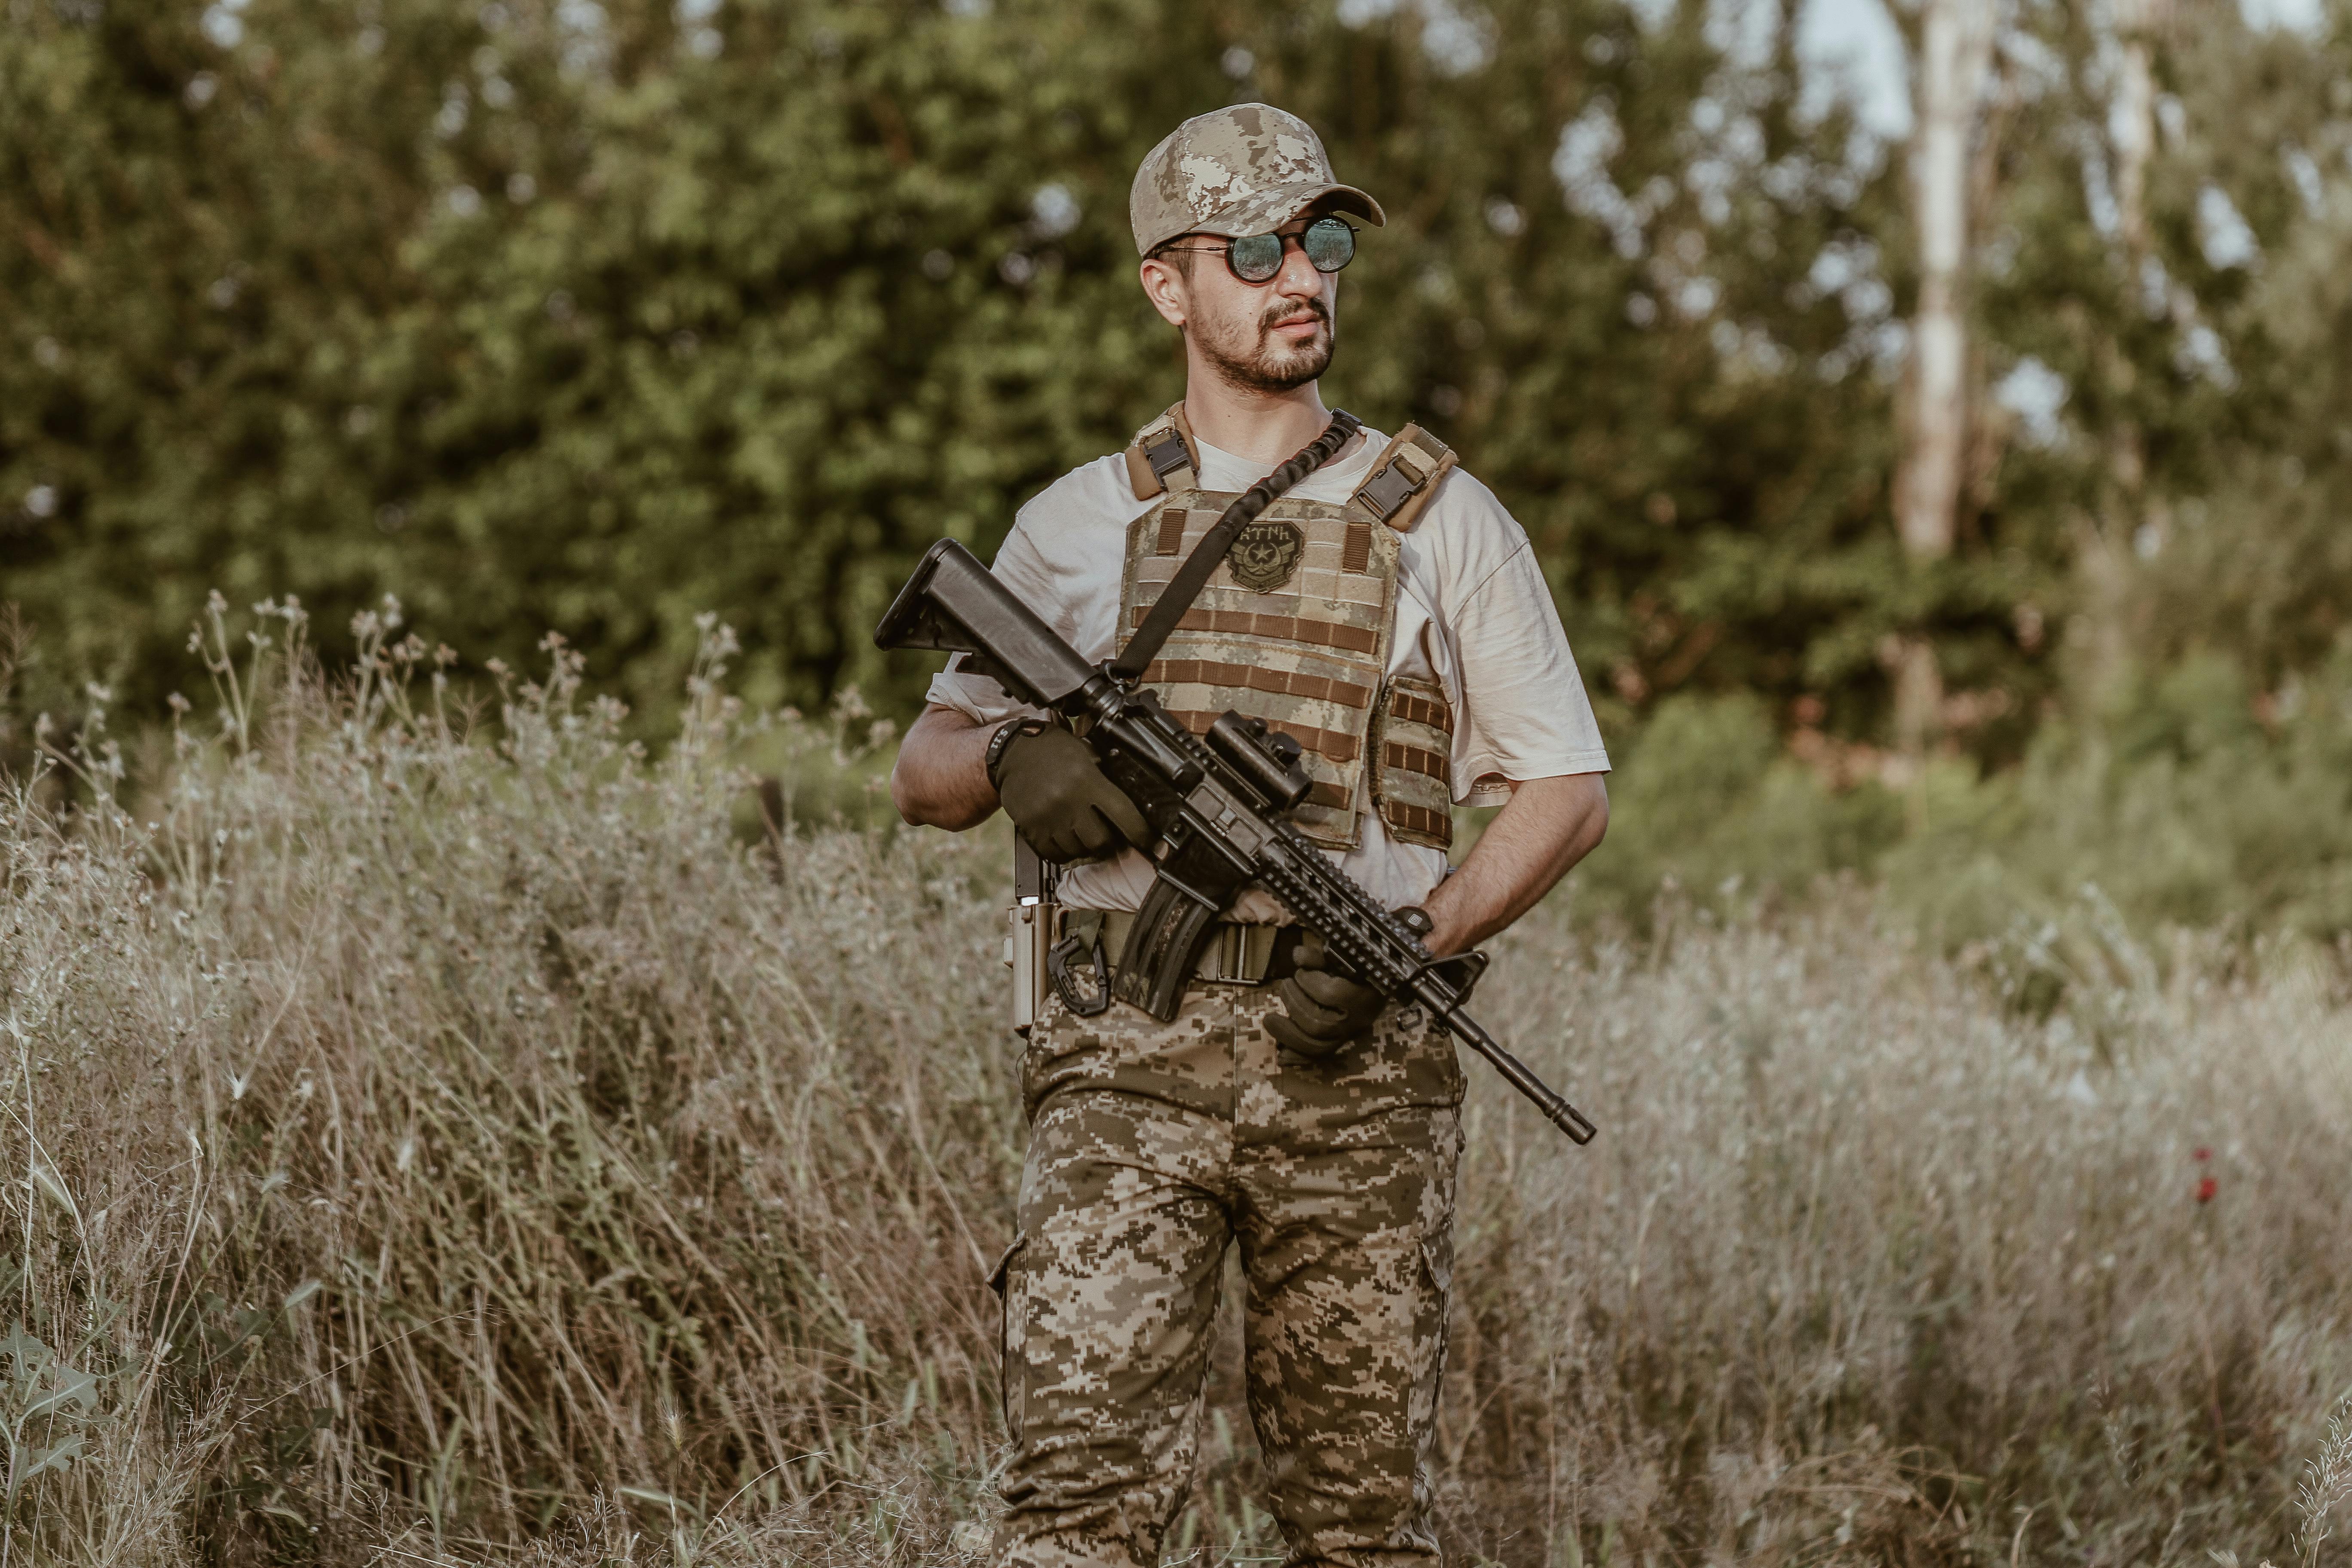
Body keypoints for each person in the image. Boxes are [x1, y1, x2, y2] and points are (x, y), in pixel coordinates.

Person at [890, 102, 1612, 1568]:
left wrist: (1428, 934)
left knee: (1358, 1527)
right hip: (1119, 1062)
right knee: (1075, 1507)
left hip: (1356, 1073)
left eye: (1326, 241)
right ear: (1170, 283)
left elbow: (1568, 791)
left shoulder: (1447, 521)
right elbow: (923, 767)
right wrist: (1021, 754)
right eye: (1263, 246)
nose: (1306, 277)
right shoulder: (1082, 522)